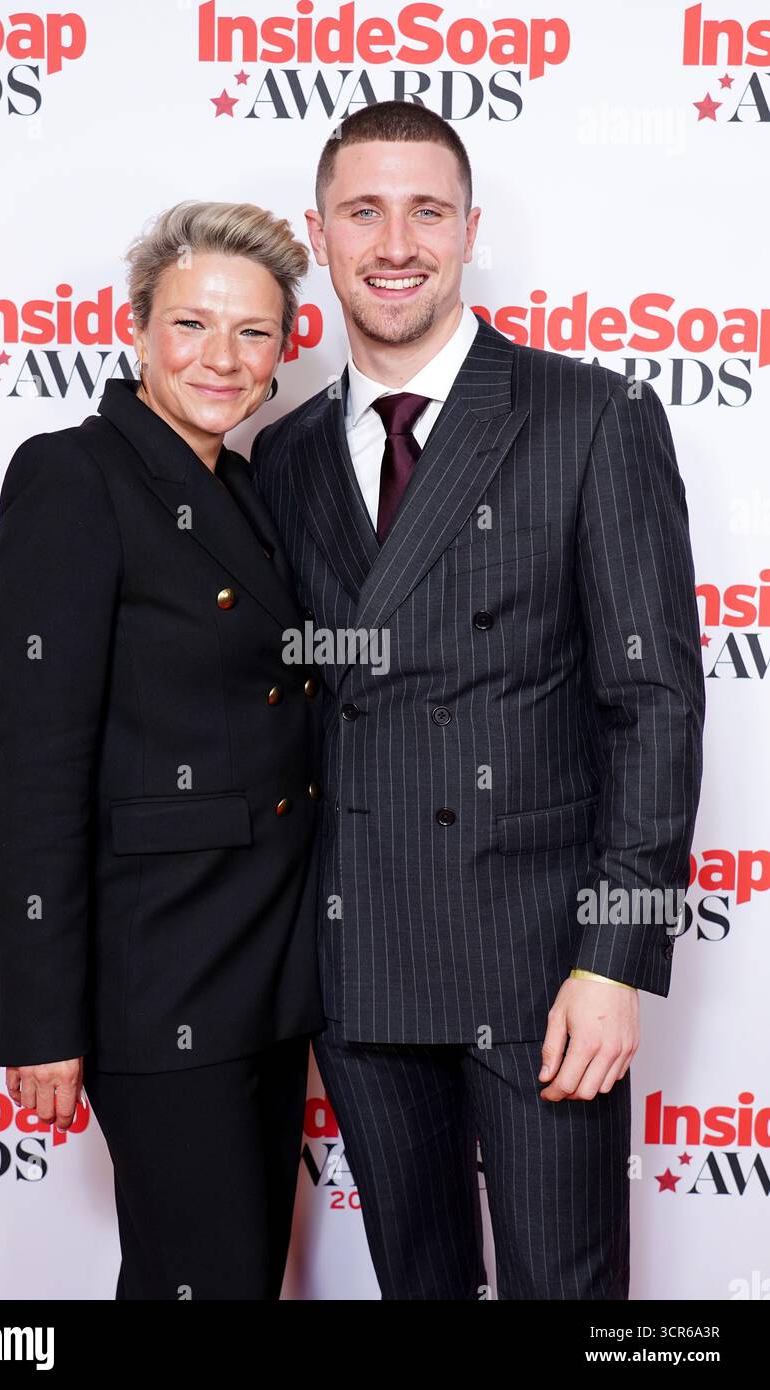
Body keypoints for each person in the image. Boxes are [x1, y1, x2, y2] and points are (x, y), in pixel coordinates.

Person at [251, 101, 705, 1300]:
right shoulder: (282, 453)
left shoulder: (591, 416)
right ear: (320, 233)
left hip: (542, 964)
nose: (395, 241)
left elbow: (654, 704)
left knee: (569, 1290)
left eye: (426, 211)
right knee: (420, 1281)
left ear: (468, 232)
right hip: (359, 962)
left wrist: (616, 959)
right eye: (364, 211)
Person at [0, 200, 325, 1300]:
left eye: (254, 333)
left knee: (221, 1278)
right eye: (191, 325)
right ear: (136, 330)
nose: (222, 359)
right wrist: (43, 1020)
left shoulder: (245, 484)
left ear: (283, 350)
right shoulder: (72, 475)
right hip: (157, 974)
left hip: (268, 975)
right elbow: (37, 764)